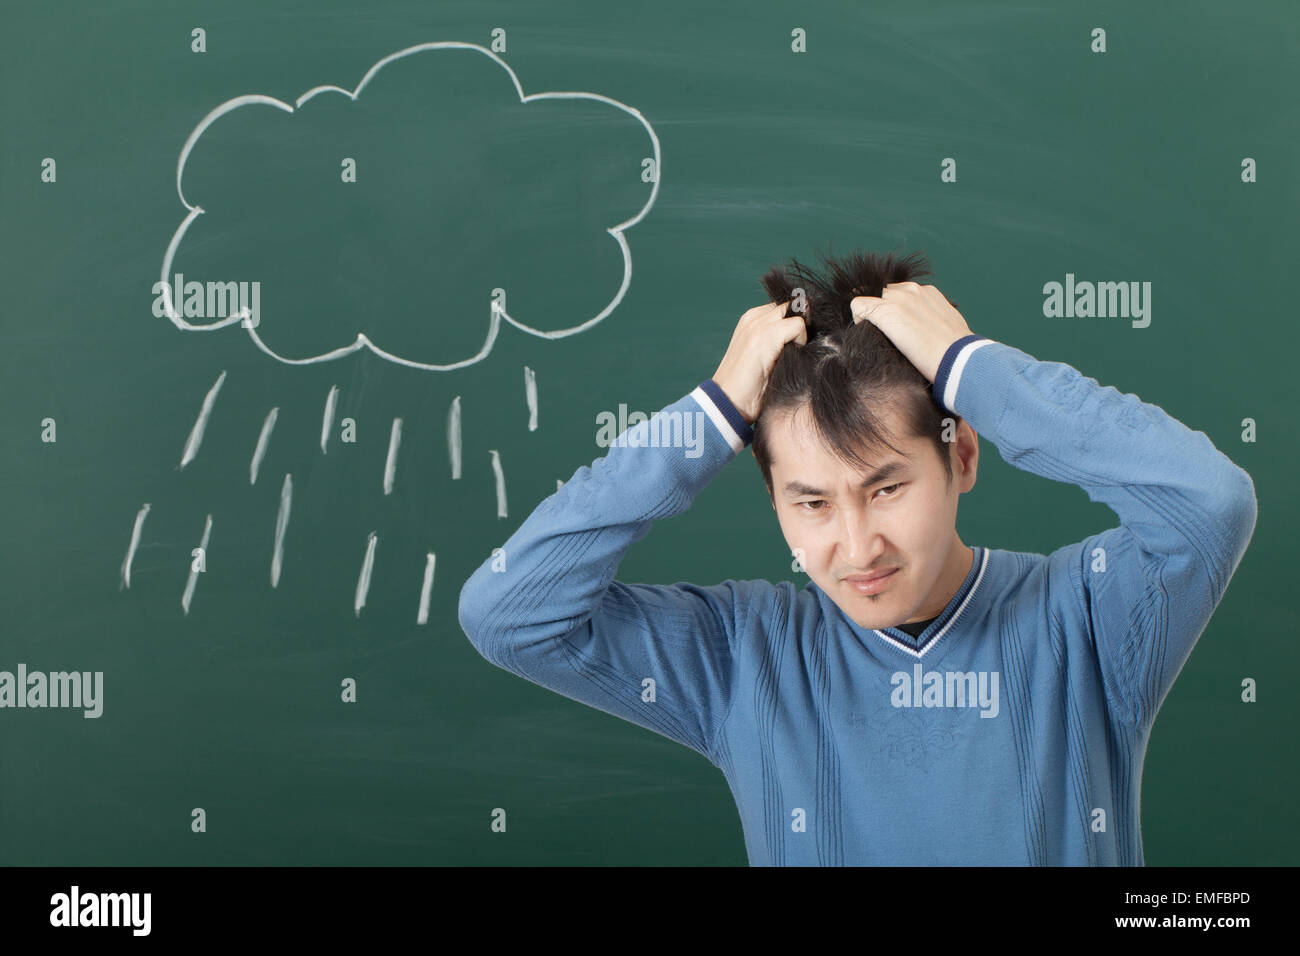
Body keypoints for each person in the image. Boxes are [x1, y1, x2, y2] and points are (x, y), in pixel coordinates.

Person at [457, 249, 1258, 865]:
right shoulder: (743, 657)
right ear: (773, 500)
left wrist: (973, 368)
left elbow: (1207, 503)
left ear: (963, 456)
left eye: (885, 489)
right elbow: (509, 612)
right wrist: (708, 419)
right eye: (811, 502)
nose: (855, 546)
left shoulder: (1086, 616)